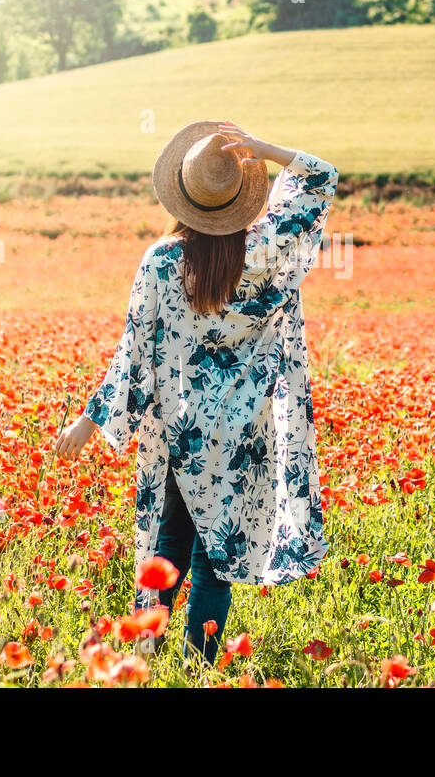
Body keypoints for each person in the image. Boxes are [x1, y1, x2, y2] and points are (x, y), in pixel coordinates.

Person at [54, 120, 338, 664]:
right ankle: (201, 666)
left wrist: (89, 422)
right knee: (215, 560)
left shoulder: (161, 262)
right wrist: (265, 151)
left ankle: (140, 658)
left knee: (169, 545)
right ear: (239, 201)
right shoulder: (263, 257)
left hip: (181, 431)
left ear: (182, 195)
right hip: (243, 434)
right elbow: (321, 178)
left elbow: (133, 352)